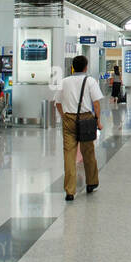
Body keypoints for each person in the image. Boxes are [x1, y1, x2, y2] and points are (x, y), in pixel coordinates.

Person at [53, 55, 103, 201]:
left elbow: (57, 103)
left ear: (73, 67)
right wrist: (98, 121)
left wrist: (64, 116)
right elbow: (96, 104)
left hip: (69, 119)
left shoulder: (64, 81)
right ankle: (91, 183)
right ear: (86, 67)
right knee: (88, 152)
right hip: (86, 119)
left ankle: (70, 191)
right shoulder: (90, 81)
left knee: (69, 155)